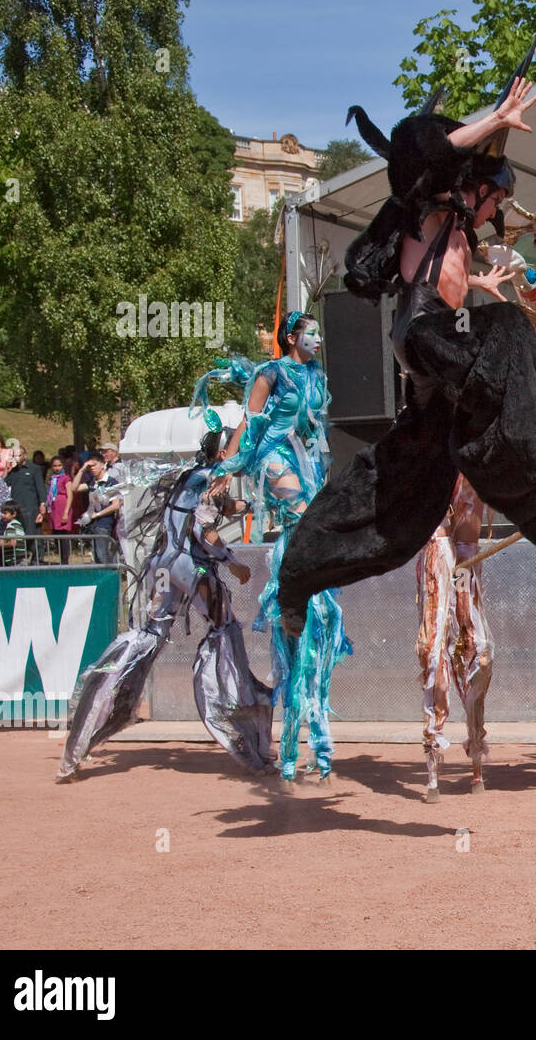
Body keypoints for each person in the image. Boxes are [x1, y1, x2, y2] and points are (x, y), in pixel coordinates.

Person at [273, 62, 536, 638]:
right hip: (428, 337)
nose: (495, 213)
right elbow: (419, 154)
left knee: (410, 496)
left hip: (438, 358)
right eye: (495, 200)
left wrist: (478, 287)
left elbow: (449, 288)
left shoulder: (459, 236)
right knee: (508, 330)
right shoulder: (427, 211)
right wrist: (494, 121)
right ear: (475, 187)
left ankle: (299, 582)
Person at [58, 423, 272, 780]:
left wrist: (252, 502)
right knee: (226, 632)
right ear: (222, 454)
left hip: (163, 565)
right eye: (236, 449)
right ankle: (244, 742)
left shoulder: (194, 475)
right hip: (191, 566)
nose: (242, 455)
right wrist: (233, 563)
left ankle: (81, 741)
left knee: (147, 635)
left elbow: (221, 506)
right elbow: (204, 528)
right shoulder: (210, 477)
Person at [199, 315, 351, 787]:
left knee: (316, 636)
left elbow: (316, 431)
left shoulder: (318, 376)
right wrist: (226, 469)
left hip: (308, 463)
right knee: (303, 520)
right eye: (310, 332)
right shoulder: (272, 373)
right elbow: (250, 422)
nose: (319, 338)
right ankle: (294, 754)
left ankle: (308, 751)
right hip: (274, 457)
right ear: (291, 338)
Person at [415, 477, 494, 802]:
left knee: (478, 651)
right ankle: (433, 765)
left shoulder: (470, 472)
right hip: (435, 557)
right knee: (434, 657)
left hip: (463, 562)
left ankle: (476, 758)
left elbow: (469, 528)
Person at [71, 453, 122, 565]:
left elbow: (115, 505)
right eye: (90, 467)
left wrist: (98, 514)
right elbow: (74, 488)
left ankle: (109, 578)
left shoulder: (111, 482)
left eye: (94, 465)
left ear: (103, 465)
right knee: (96, 555)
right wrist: (81, 471)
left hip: (104, 523)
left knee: (102, 554)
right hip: (93, 524)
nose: (92, 468)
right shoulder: (92, 482)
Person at [5, 446, 46, 554]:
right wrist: (7, 469)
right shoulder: (13, 471)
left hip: (31, 507)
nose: (17, 458)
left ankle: (38, 559)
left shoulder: (34, 469)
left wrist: (43, 504)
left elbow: (40, 487)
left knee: (33, 534)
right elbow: (4, 484)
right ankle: (22, 556)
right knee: (20, 533)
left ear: (24, 456)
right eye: (14, 455)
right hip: (17, 508)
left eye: (19, 455)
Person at [0, 501, 27, 566]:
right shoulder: (17, 525)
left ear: (14, 514)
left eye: (5, 513)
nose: (2, 515)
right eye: (2, 513)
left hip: (15, 559)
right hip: (17, 558)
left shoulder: (12, 526)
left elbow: (12, 542)